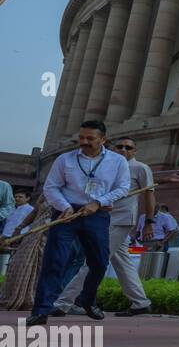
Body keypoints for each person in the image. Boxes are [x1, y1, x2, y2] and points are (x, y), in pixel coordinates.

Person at [26, 120, 131, 325]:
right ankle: (41, 310)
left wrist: (99, 202)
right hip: (66, 214)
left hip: (96, 214)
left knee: (99, 262)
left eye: (90, 139)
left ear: (103, 139)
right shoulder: (65, 160)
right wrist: (64, 206)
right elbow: (51, 187)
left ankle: (88, 300)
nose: (84, 142)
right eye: (81, 138)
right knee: (55, 261)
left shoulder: (118, 162)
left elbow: (123, 188)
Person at [54, 137, 156, 317]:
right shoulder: (107, 166)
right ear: (113, 148)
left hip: (121, 220)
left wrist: (149, 222)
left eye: (128, 147)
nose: (123, 149)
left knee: (93, 261)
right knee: (122, 262)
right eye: (120, 146)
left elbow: (149, 195)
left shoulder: (140, 168)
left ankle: (63, 303)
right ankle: (140, 302)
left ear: (135, 151)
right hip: (102, 218)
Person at [0, 189, 33, 278]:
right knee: (5, 263)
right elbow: (9, 226)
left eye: (20, 197)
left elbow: (26, 227)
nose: (17, 199)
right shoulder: (13, 210)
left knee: (12, 264)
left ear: (27, 198)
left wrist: (18, 237)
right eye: (16, 197)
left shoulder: (30, 210)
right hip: (6, 239)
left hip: (20, 239)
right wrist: (3, 236)